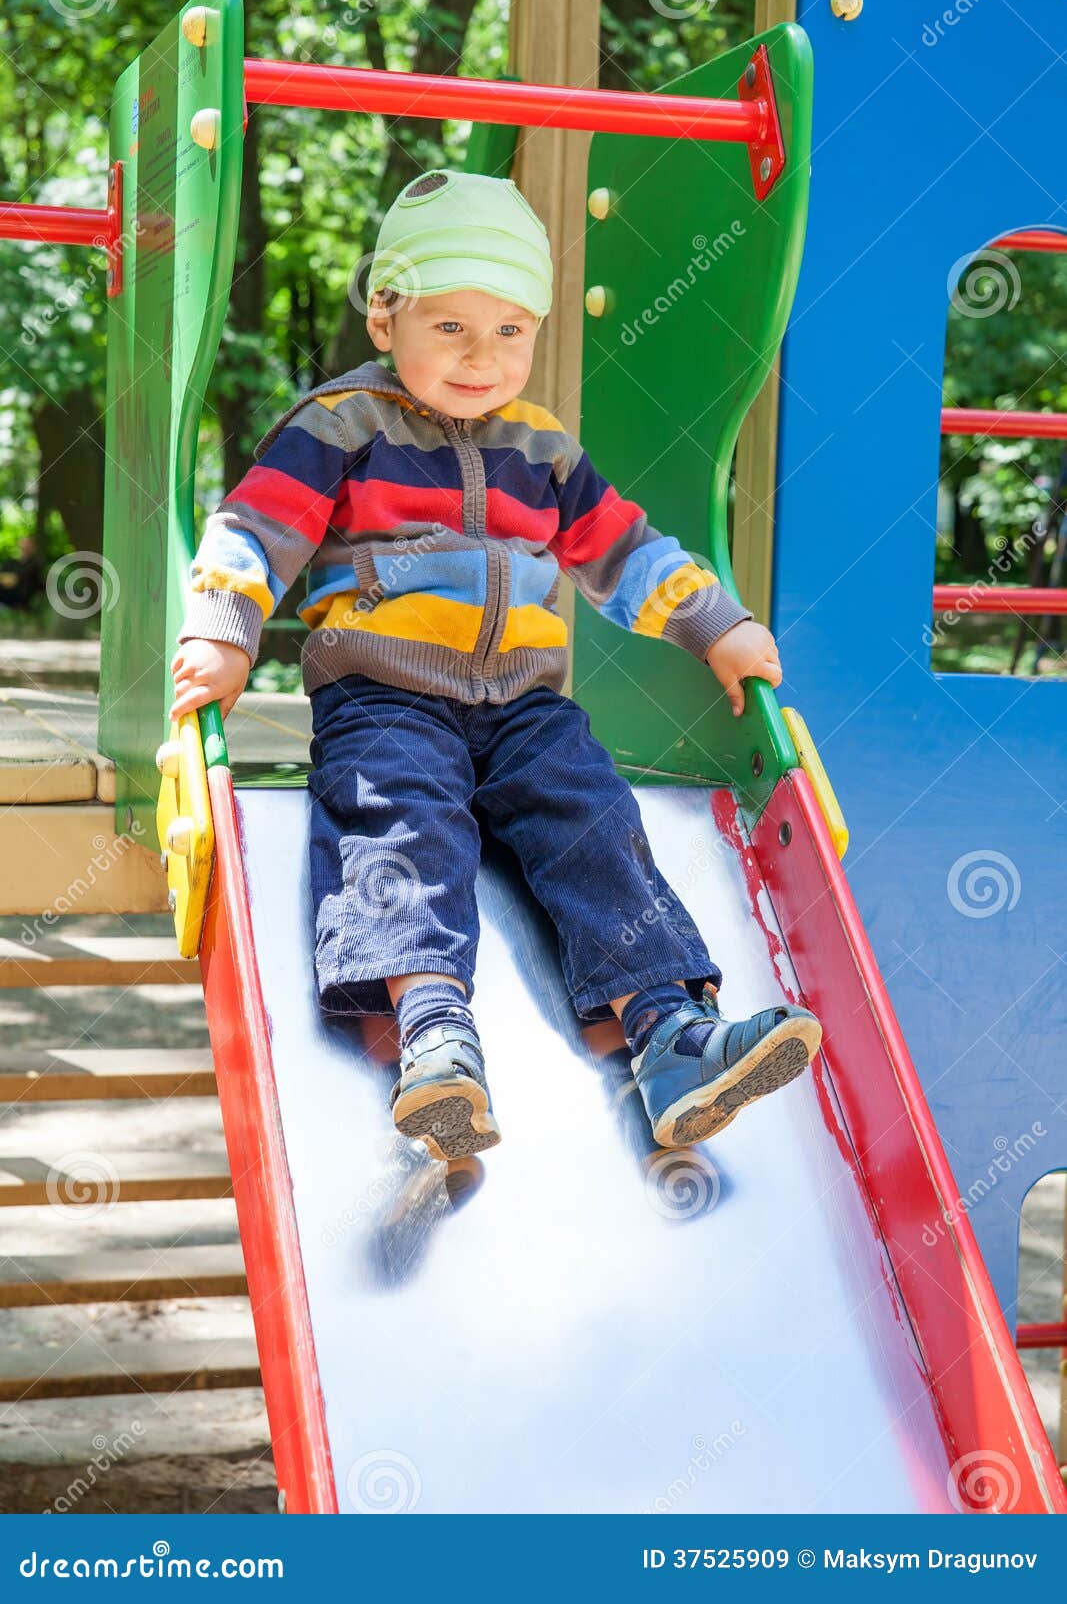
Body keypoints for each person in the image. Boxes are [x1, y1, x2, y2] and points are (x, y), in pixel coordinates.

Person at [170, 169, 821, 1162]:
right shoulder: (340, 425)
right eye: (452, 328)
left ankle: (668, 1035)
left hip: (522, 705)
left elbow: (621, 545)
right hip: (385, 697)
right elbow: (256, 527)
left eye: (509, 330)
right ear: (386, 314)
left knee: (594, 818)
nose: (482, 358)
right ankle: (434, 1036)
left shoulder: (540, 447)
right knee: (399, 822)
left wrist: (712, 622)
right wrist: (222, 627)